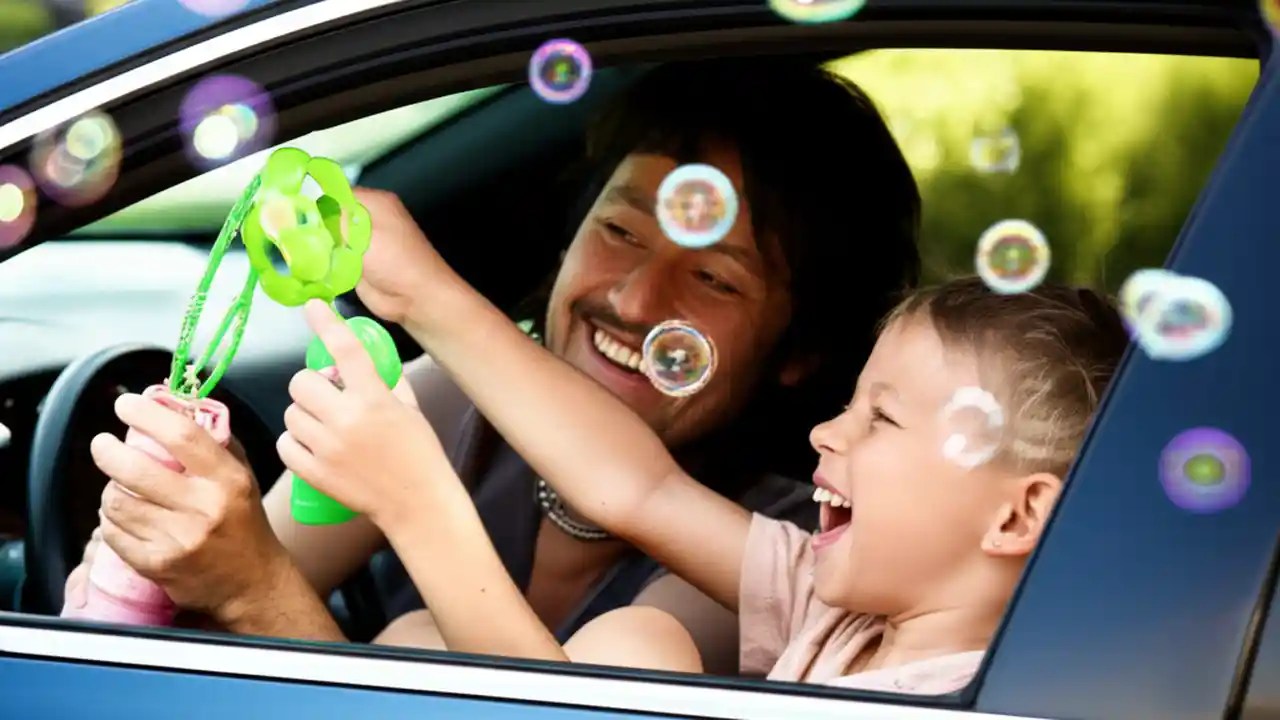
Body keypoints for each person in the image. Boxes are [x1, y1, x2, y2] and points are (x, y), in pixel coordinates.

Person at [71, 58, 921, 674]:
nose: (630, 300)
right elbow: (187, 631)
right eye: (620, 231)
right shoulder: (448, 405)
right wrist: (181, 535)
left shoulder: (786, 551)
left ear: (800, 350)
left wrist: (260, 588)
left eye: (711, 277)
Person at [268, 272, 1129, 689]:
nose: (828, 430)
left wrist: (418, 505)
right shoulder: (835, 606)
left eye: (883, 419)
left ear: (1017, 518)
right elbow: (638, 489)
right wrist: (419, 290)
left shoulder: (969, 702)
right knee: (450, 637)